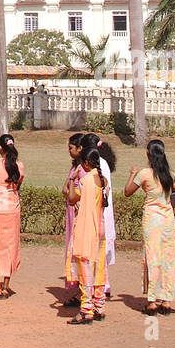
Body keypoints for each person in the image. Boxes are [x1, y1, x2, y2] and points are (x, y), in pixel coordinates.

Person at [125, 138, 175, 315]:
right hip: (168, 220)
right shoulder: (170, 174)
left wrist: (132, 173)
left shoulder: (144, 174)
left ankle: (151, 301)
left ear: (148, 154)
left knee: (152, 257)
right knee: (169, 258)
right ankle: (166, 300)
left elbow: (127, 192)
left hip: (152, 220)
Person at [67, 146, 109, 324]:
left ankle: (86, 309)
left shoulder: (85, 182)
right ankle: (99, 306)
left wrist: (72, 179)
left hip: (87, 228)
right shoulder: (103, 180)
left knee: (85, 267)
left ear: (85, 163)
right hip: (100, 227)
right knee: (99, 267)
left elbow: (71, 198)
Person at [0, 133, 25, 296]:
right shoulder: (19, 166)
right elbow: (18, 184)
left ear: (0, 148)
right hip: (12, 209)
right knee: (10, 246)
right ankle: (6, 285)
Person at [80, 132, 117, 297]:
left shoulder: (93, 170)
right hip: (103, 212)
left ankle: (96, 287)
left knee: (93, 253)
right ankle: (103, 285)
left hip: (95, 213)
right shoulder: (104, 164)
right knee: (101, 250)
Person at [62, 133, 85, 306]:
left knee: (78, 250)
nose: (69, 151)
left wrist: (73, 193)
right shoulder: (75, 167)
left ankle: (81, 291)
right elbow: (65, 188)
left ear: (80, 149)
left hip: (78, 211)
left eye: (71, 148)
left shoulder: (84, 170)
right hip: (72, 211)